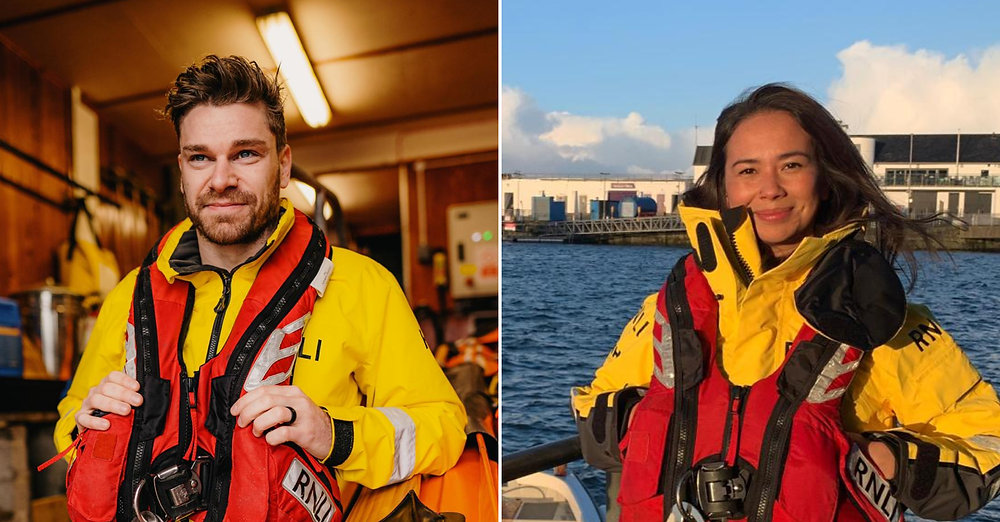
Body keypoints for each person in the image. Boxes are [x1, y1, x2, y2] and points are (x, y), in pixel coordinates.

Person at [52, 55, 466, 521]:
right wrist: (86, 425)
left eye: (246, 153)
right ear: (183, 170)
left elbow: (443, 427)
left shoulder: (362, 284)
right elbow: (70, 421)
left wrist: (336, 434)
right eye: (201, 157)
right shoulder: (132, 296)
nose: (221, 179)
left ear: (283, 166)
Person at [572, 84, 1000, 522]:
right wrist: (646, 423)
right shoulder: (672, 307)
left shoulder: (880, 320)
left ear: (826, 177)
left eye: (791, 165)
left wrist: (887, 461)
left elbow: (988, 443)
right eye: (748, 170)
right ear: (723, 184)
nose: (770, 189)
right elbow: (593, 406)